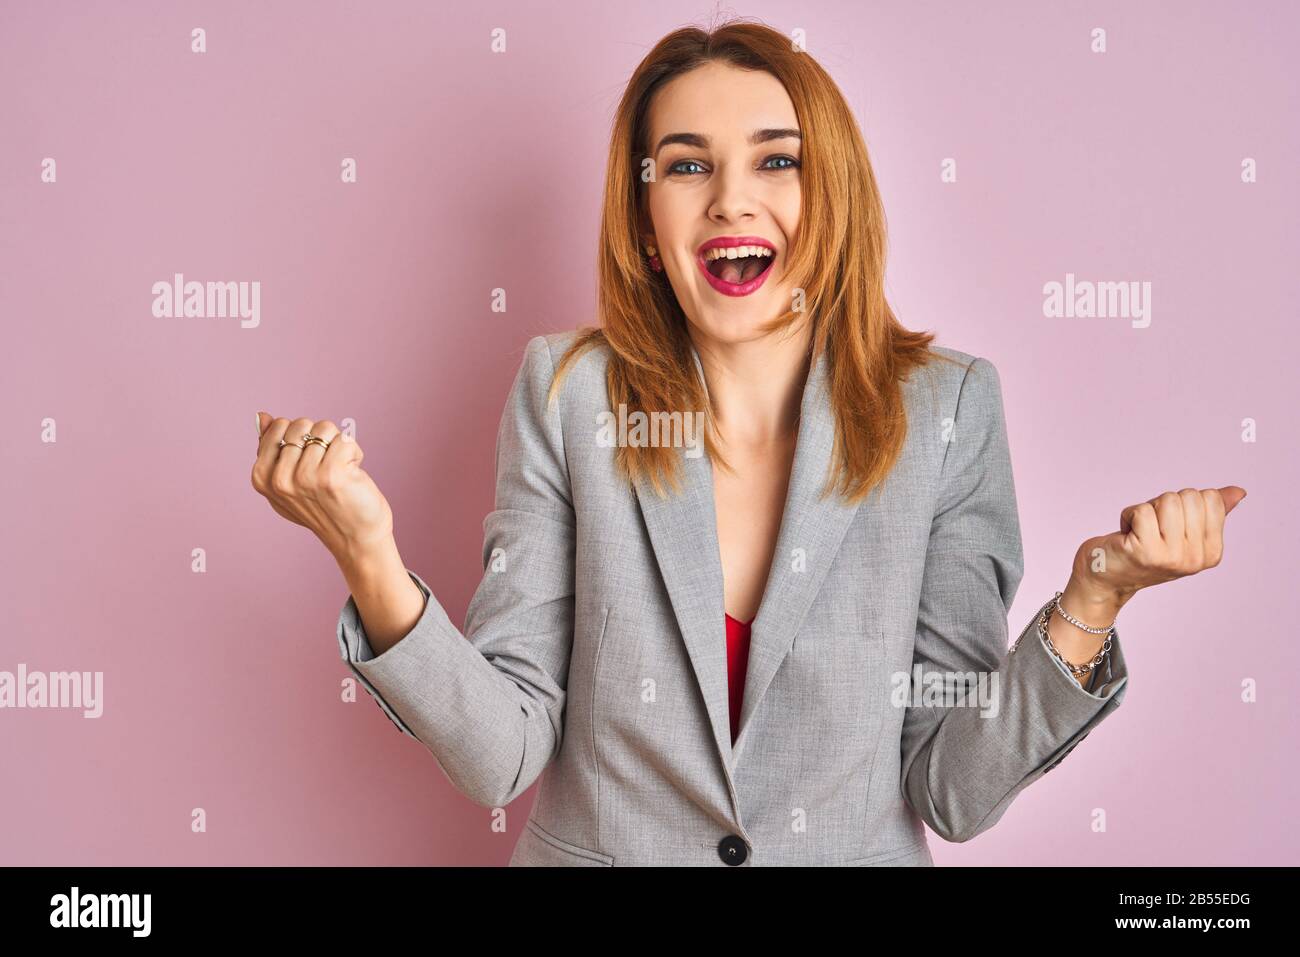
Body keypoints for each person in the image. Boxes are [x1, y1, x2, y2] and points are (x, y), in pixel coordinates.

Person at [250, 19, 1244, 866]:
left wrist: (1095, 598)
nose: (730, 198)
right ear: (645, 219)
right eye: (687, 165)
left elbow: (951, 788)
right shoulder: (565, 393)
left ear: (831, 200)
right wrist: (366, 555)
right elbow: (502, 755)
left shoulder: (947, 410)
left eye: (776, 159)